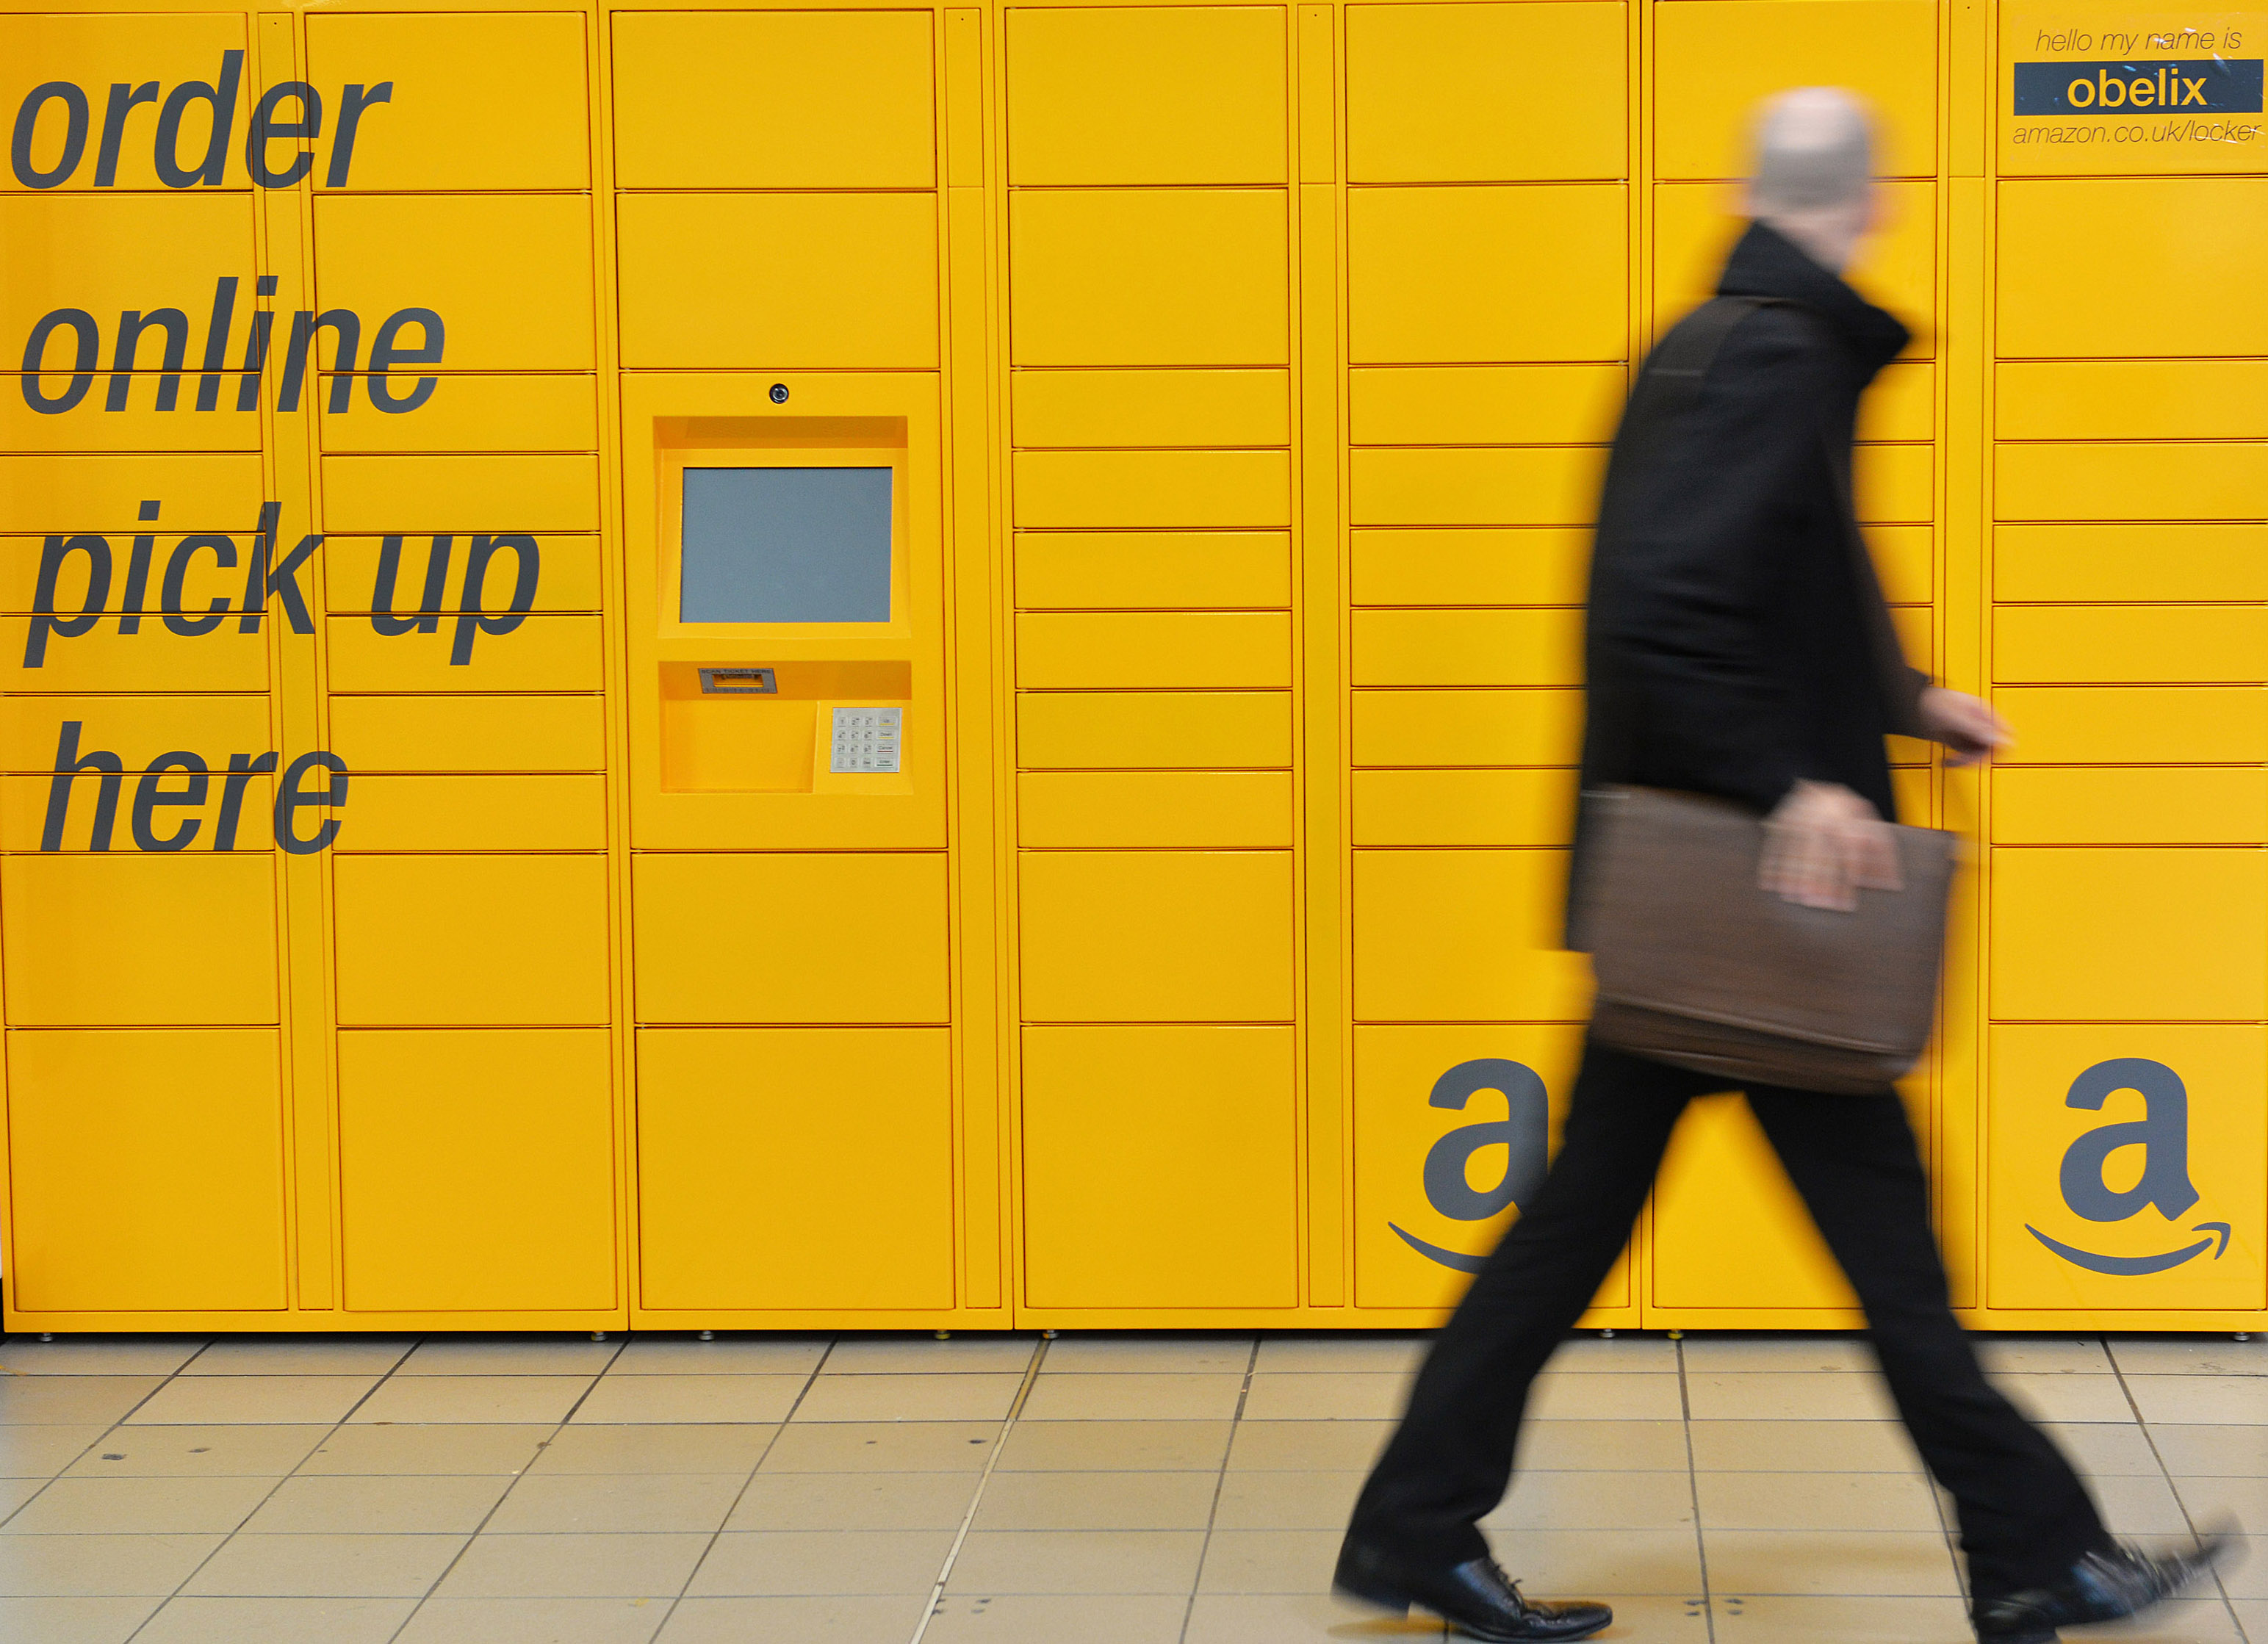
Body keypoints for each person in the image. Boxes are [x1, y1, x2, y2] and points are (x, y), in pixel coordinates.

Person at [1332, 88, 2231, 1644]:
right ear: (1864, 195)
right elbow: (1664, 601)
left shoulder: (1711, 339)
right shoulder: (1771, 352)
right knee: (1886, 1256)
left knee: (1572, 1244)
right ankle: (2037, 1560)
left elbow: (1784, 567)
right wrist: (1795, 786)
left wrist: (1899, 699)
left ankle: (1415, 1527)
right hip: (1754, 904)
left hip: (1689, 913)